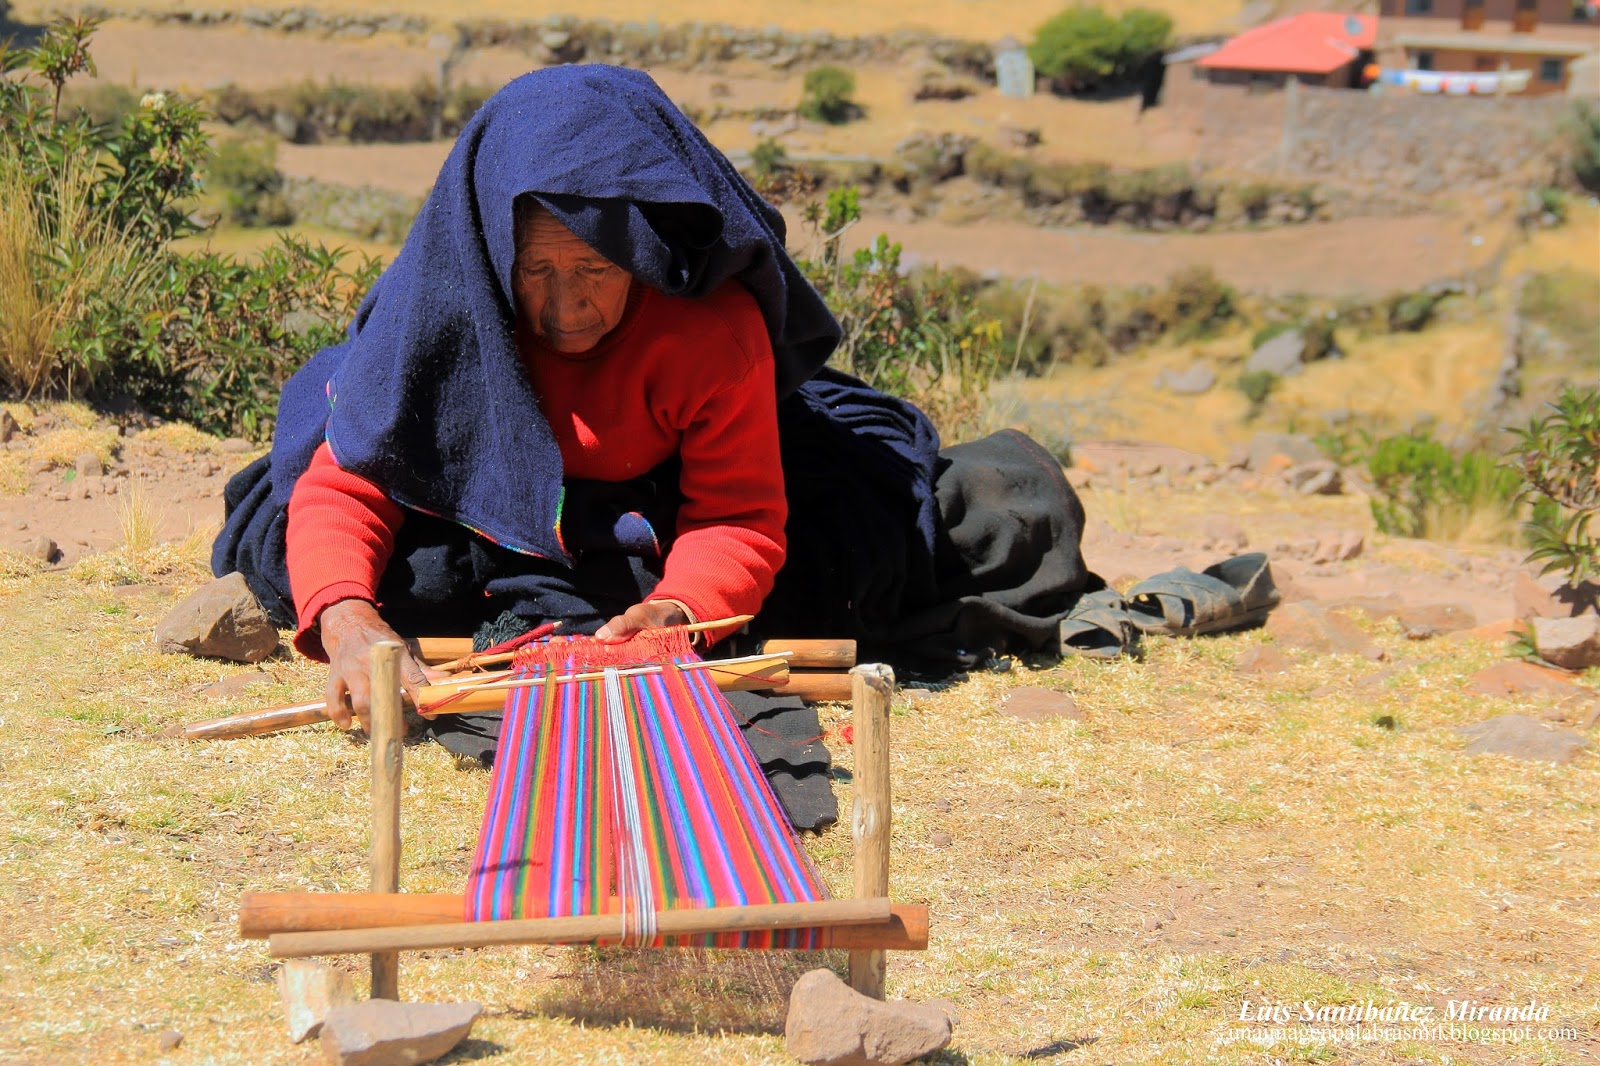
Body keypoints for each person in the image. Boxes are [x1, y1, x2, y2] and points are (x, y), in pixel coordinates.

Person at [214, 65, 1099, 755]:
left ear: (639, 252)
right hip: (498, 510)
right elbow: (351, 482)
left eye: (595, 271)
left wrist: (677, 613)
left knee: (853, 556)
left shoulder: (710, 333)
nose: (564, 308)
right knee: (373, 574)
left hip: (653, 510)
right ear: (493, 253)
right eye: (537, 272)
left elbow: (739, 516)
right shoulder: (448, 306)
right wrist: (348, 620)